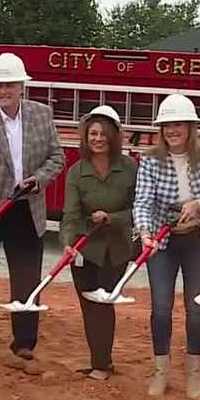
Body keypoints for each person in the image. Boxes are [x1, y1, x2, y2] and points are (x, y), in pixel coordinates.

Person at [0, 52, 64, 360]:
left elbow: (56, 158)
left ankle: (25, 343)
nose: (3, 91)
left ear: (22, 87)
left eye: (10, 85)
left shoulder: (42, 115)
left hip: (26, 208)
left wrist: (37, 179)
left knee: (27, 278)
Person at [133, 94, 200, 398]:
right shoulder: (149, 159)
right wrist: (145, 232)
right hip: (162, 241)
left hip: (198, 240)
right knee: (161, 308)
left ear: (190, 127)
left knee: (195, 308)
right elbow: (143, 200)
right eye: (166, 126)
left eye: (177, 125)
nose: (172, 131)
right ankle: (161, 371)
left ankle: (193, 372)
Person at [60, 105, 137, 381]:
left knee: (104, 304)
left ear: (114, 136)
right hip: (85, 250)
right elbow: (70, 215)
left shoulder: (129, 168)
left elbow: (138, 209)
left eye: (103, 133)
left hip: (116, 250)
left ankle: (102, 365)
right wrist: (68, 244)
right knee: (88, 306)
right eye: (92, 133)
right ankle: (100, 362)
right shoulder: (76, 172)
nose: (97, 138)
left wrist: (112, 217)